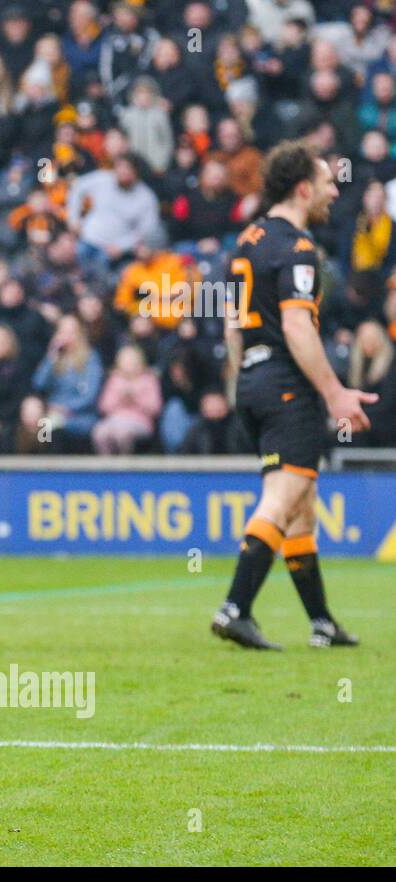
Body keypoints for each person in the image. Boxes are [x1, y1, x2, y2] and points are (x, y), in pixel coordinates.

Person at [212, 141, 377, 651]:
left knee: (301, 505)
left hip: (254, 382)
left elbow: (232, 326)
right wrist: (334, 393)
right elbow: (297, 327)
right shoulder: (299, 248)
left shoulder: (248, 240)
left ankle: (321, 623)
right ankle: (235, 607)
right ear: (304, 188)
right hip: (288, 385)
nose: (333, 190)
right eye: (327, 181)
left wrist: (243, 382)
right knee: (282, 500)